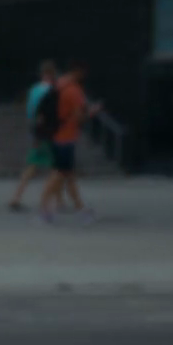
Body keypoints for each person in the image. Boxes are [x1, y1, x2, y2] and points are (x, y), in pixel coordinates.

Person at [39, 62, 102, 225]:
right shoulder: (73, 90)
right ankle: (45, 208)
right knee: (59, 174)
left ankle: (80, 209)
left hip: (56, 136)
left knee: (68, 175)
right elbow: (78, 116)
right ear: (78, 72)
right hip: (65, 137)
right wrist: (91, 113)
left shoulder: (59, 86)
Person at [8, 60, 58, 212]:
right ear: (51, 74)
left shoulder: (34, 90)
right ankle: (51, 201)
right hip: (49, 131)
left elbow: (30, 112)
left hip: (36, 130)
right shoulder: (52, 91)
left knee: (34, 166)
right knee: (56, 167)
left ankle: (17, 196)